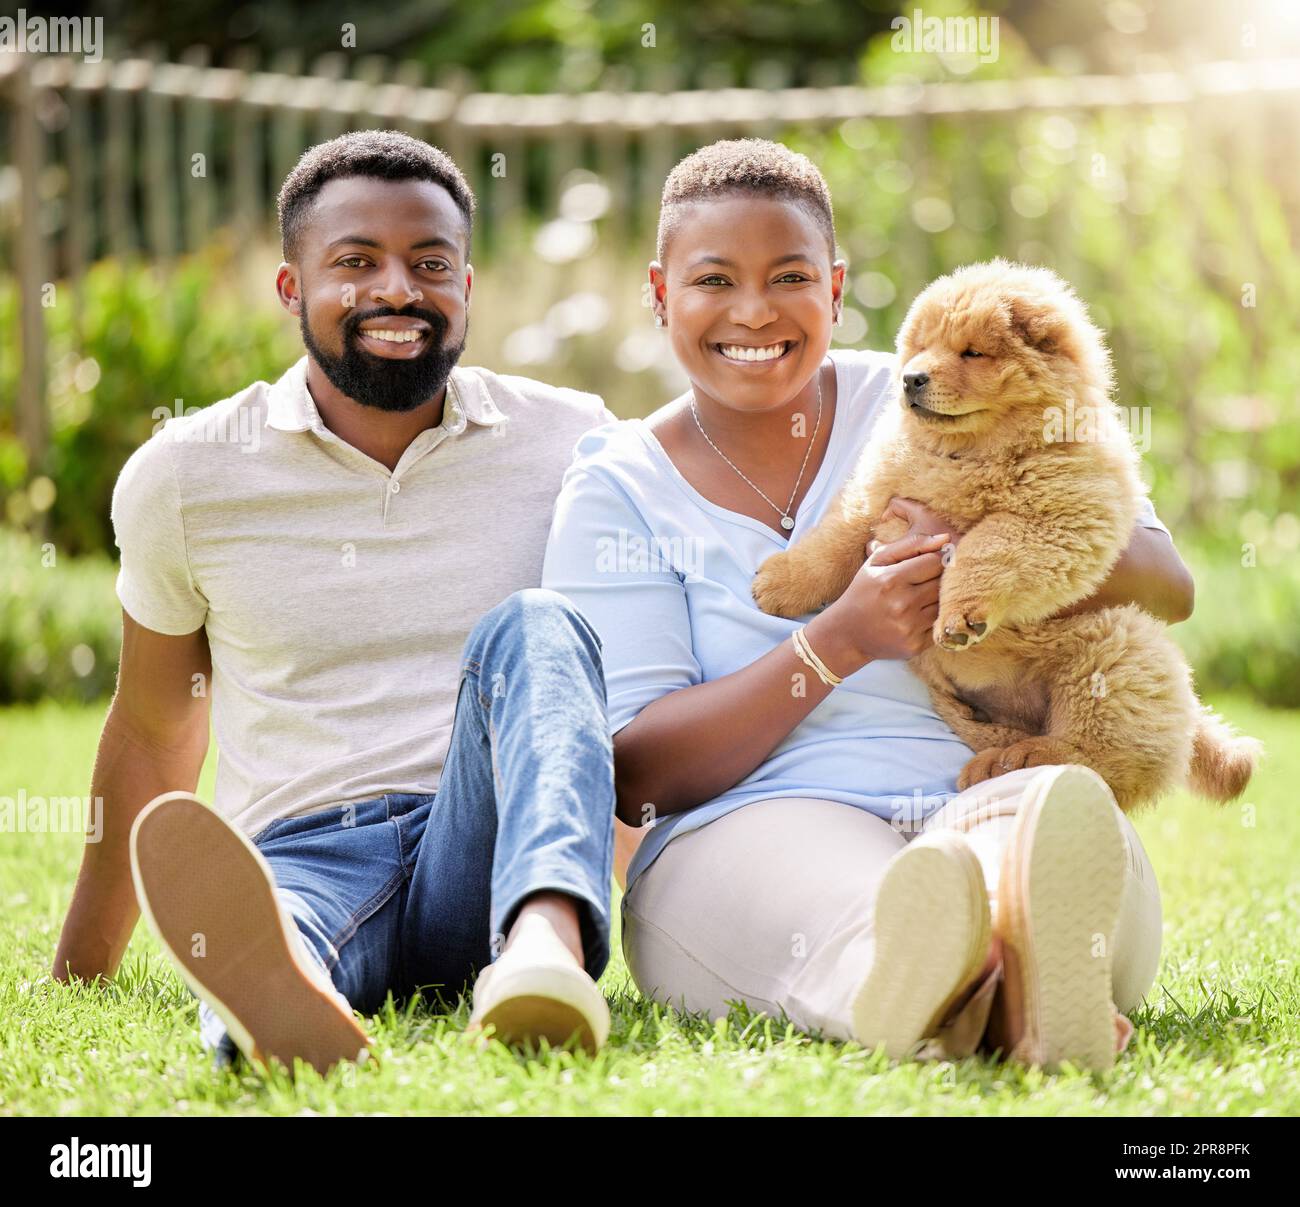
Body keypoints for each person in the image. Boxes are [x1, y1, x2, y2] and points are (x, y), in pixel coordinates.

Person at [542, 139, 1195, 1068]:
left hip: (984, 779)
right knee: (860, 906)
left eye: (791, 276)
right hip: (757, 821)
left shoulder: (940, 384)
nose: (754, 310)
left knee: (1039, 824)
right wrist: (835, 642)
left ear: (837, 289)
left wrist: (979, 544)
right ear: (660, 294)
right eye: (714, 280)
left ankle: (982, 972)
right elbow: (638, 772)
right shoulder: (621, 486)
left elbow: (1169, 584)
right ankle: (1002, 979)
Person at [52, 130, 618, 1074]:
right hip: (304, 845)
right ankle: (278, 997)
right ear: (291, 289)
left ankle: (542, 955)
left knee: (541, 625)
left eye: (430, 263)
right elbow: (154, 730)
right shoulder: (187, 475)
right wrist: (79, 970)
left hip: (478, 850)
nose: (397, 289)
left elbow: (598, 687)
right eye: (355, 262)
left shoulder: (572, 442)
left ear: (467, 288)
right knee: (271, 927)